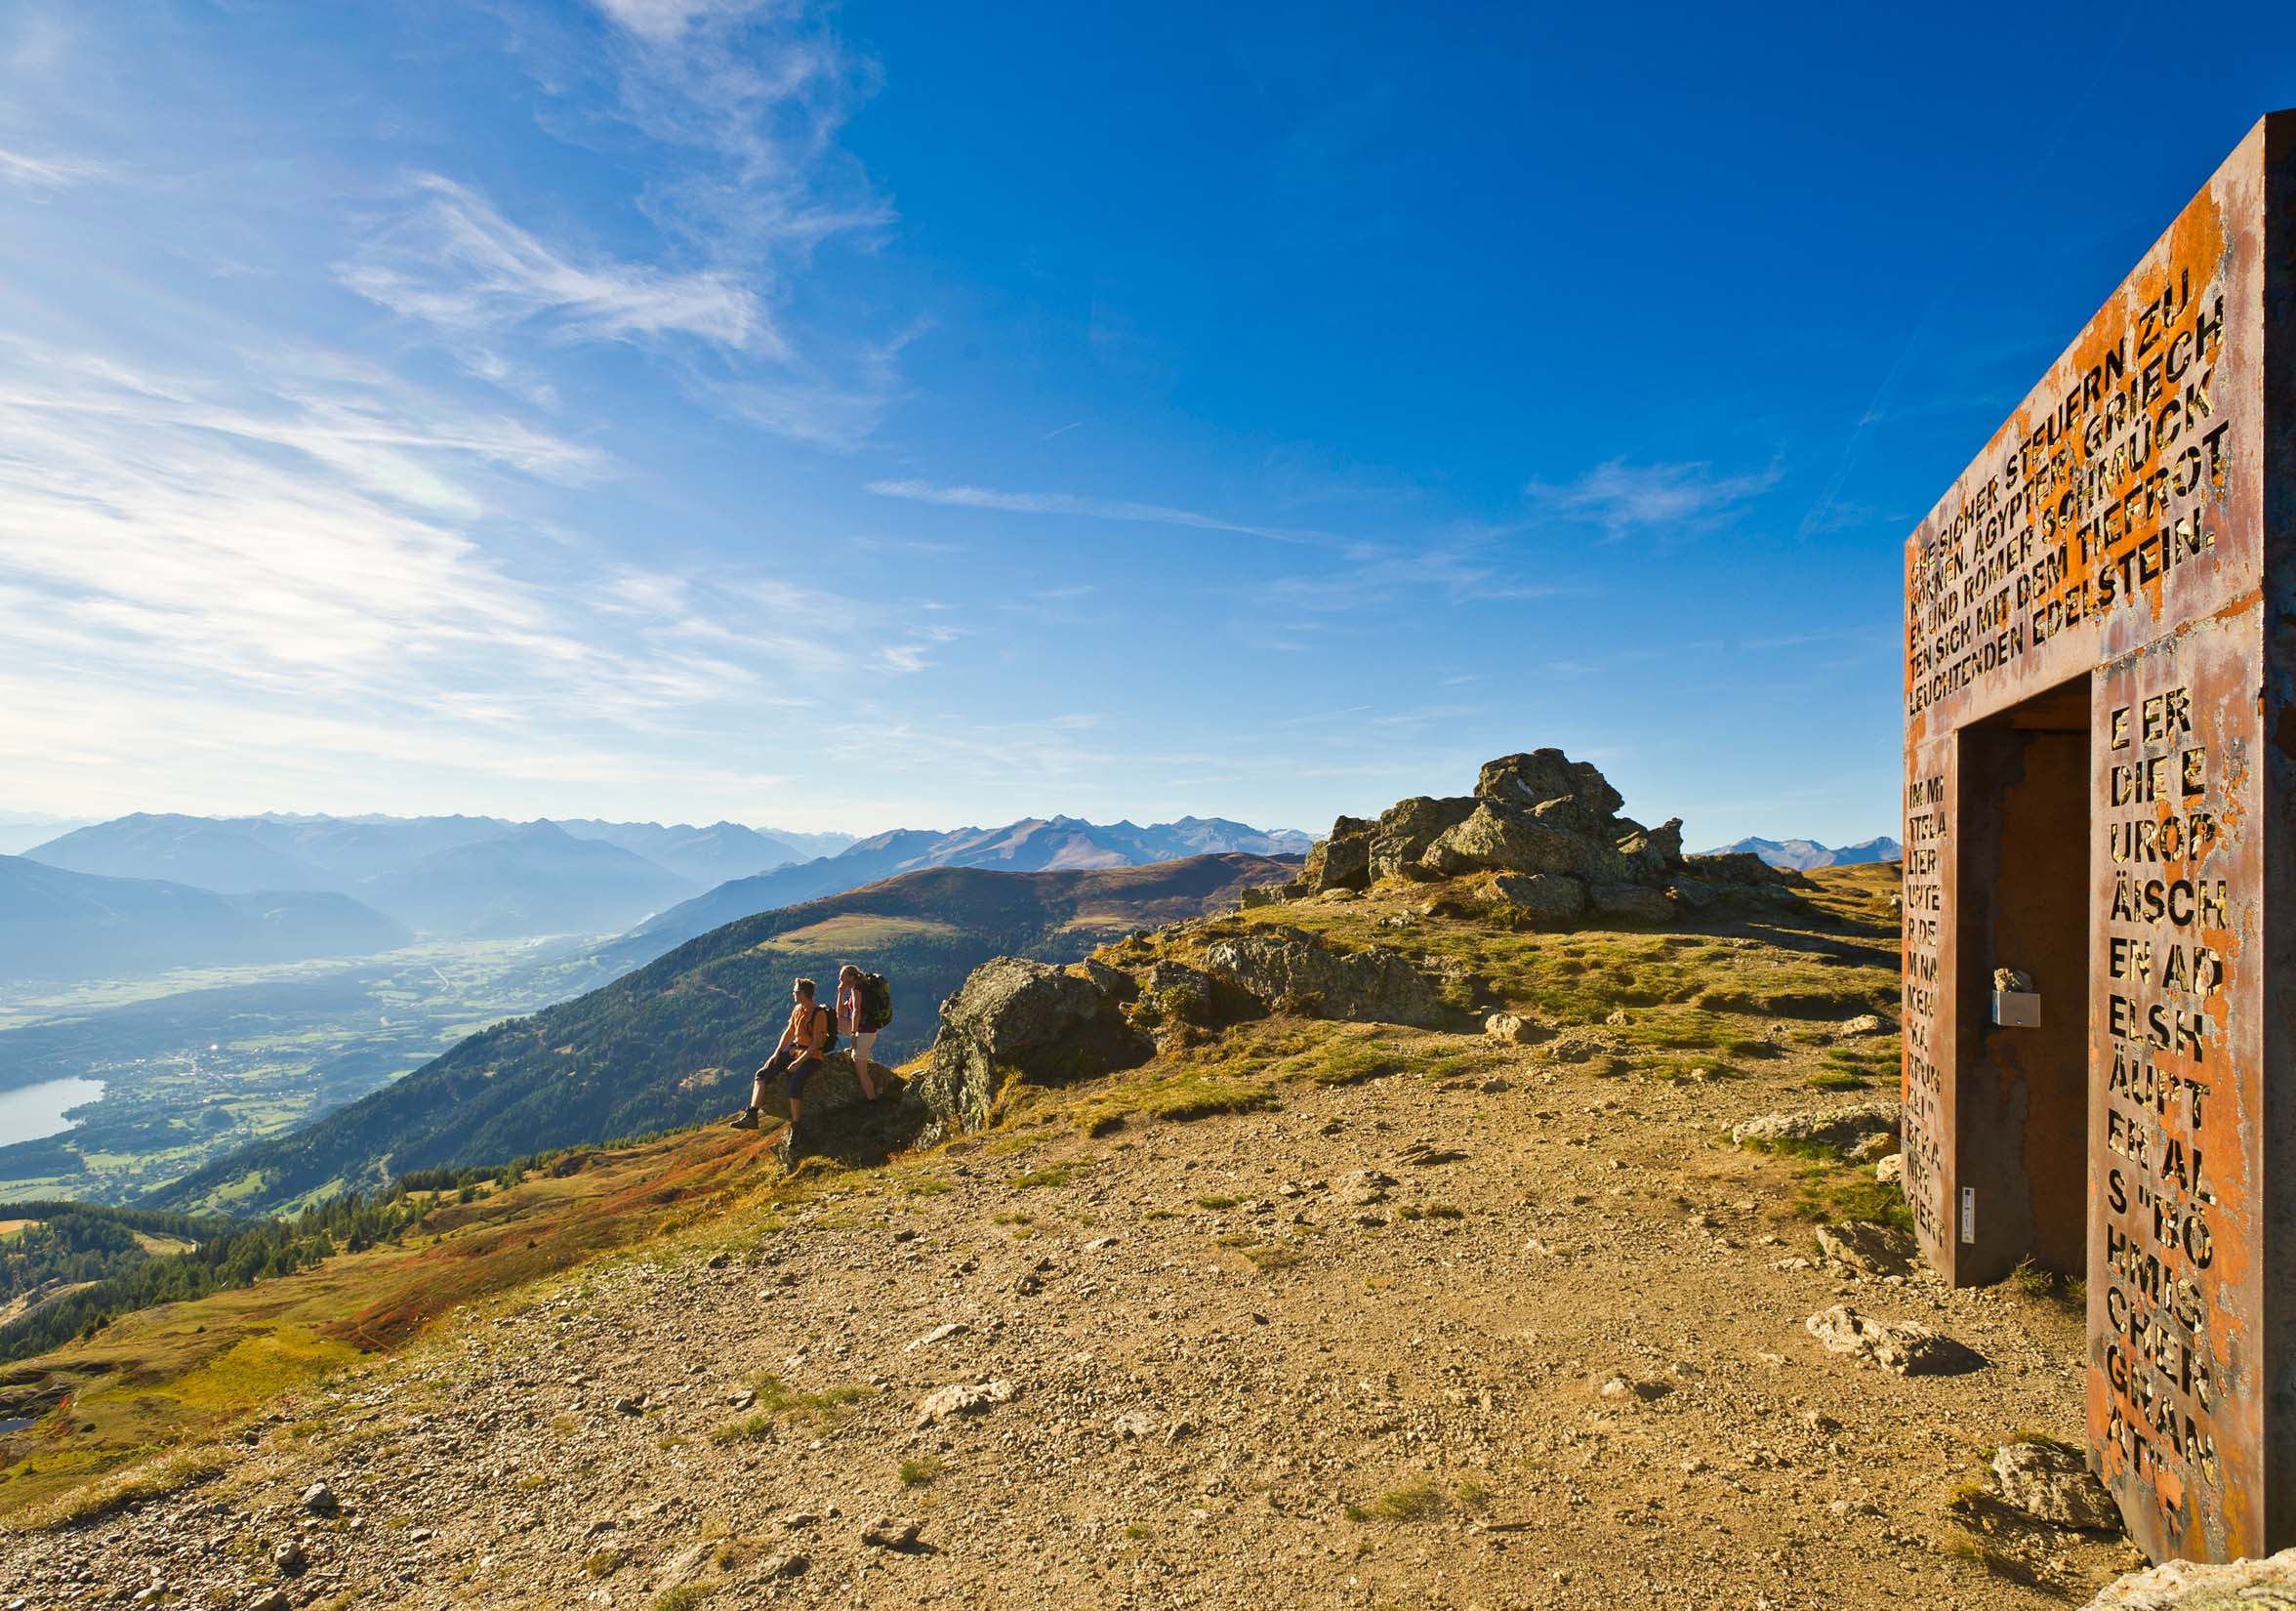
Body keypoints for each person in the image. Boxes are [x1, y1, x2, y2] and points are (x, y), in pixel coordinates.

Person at [730, 976, 831, 1134]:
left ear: (803, 993)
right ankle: (752, 1115)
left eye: (795, 991)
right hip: (794, 1051)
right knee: (762, 1074)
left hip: (811, 1056)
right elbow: (790, 1032)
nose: (793, 994)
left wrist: (799, 1062)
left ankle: (796, 1128)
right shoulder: (798, 1009)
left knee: (794, 1087)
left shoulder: (819, 1014)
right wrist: (776, 1053)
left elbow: (817, 1043)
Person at [837, 964, 883, 1101]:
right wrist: (840, 992)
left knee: (861, 1071)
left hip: (865, 1032)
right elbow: (841, 1012)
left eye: (842, 976)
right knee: (836, 1019)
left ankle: (872, 1101)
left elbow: (856, 1012)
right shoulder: (855, 989)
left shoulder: (857, 989)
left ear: (851, 977)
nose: (839, 978)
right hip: (866, 1031)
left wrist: (853, 1035)